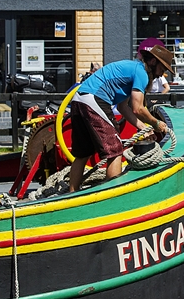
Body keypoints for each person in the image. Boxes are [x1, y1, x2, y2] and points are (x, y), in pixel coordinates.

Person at [68, 43, 174, 192]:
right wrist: (156, 123)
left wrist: (142, 127)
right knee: (116, 150)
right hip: (95, 99)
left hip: (78, 100)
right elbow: (138, 108)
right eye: (161, 69)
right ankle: (112, 194)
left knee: (83, 153)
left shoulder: (131, 68)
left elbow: (122, 107)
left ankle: (72, 193)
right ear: (152, 62)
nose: (160, 75)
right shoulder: (142, 73)